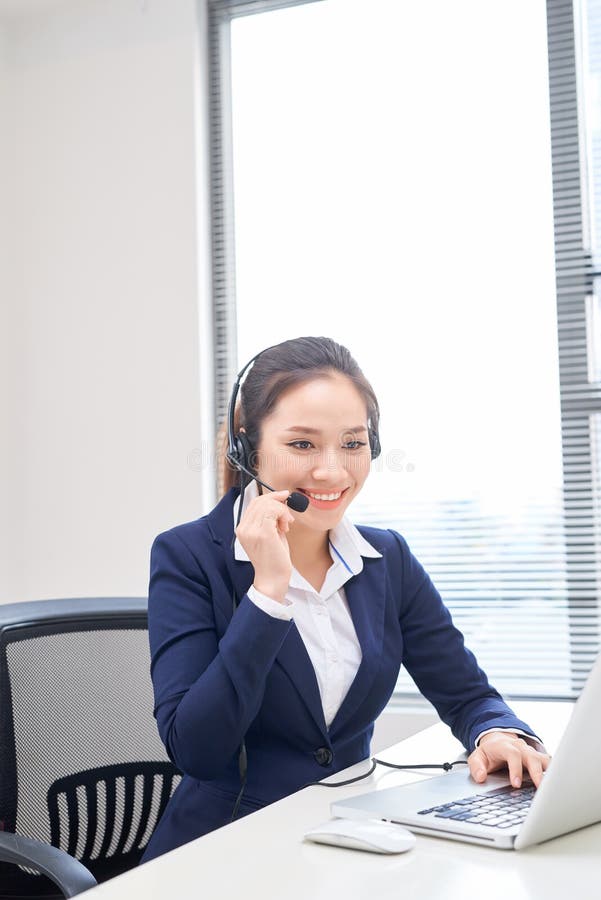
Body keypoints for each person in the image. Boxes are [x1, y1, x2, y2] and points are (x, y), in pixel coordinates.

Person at [140, 335, 550, 864]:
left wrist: (496, 732)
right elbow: (196, 749)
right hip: (224, 851)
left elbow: (467, 694)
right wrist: (268, 593)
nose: (332, 471)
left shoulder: (387, 558)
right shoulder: (190, 555)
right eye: (303, 444)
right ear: (247, 449)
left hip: (348, 841)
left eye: (353, 444)